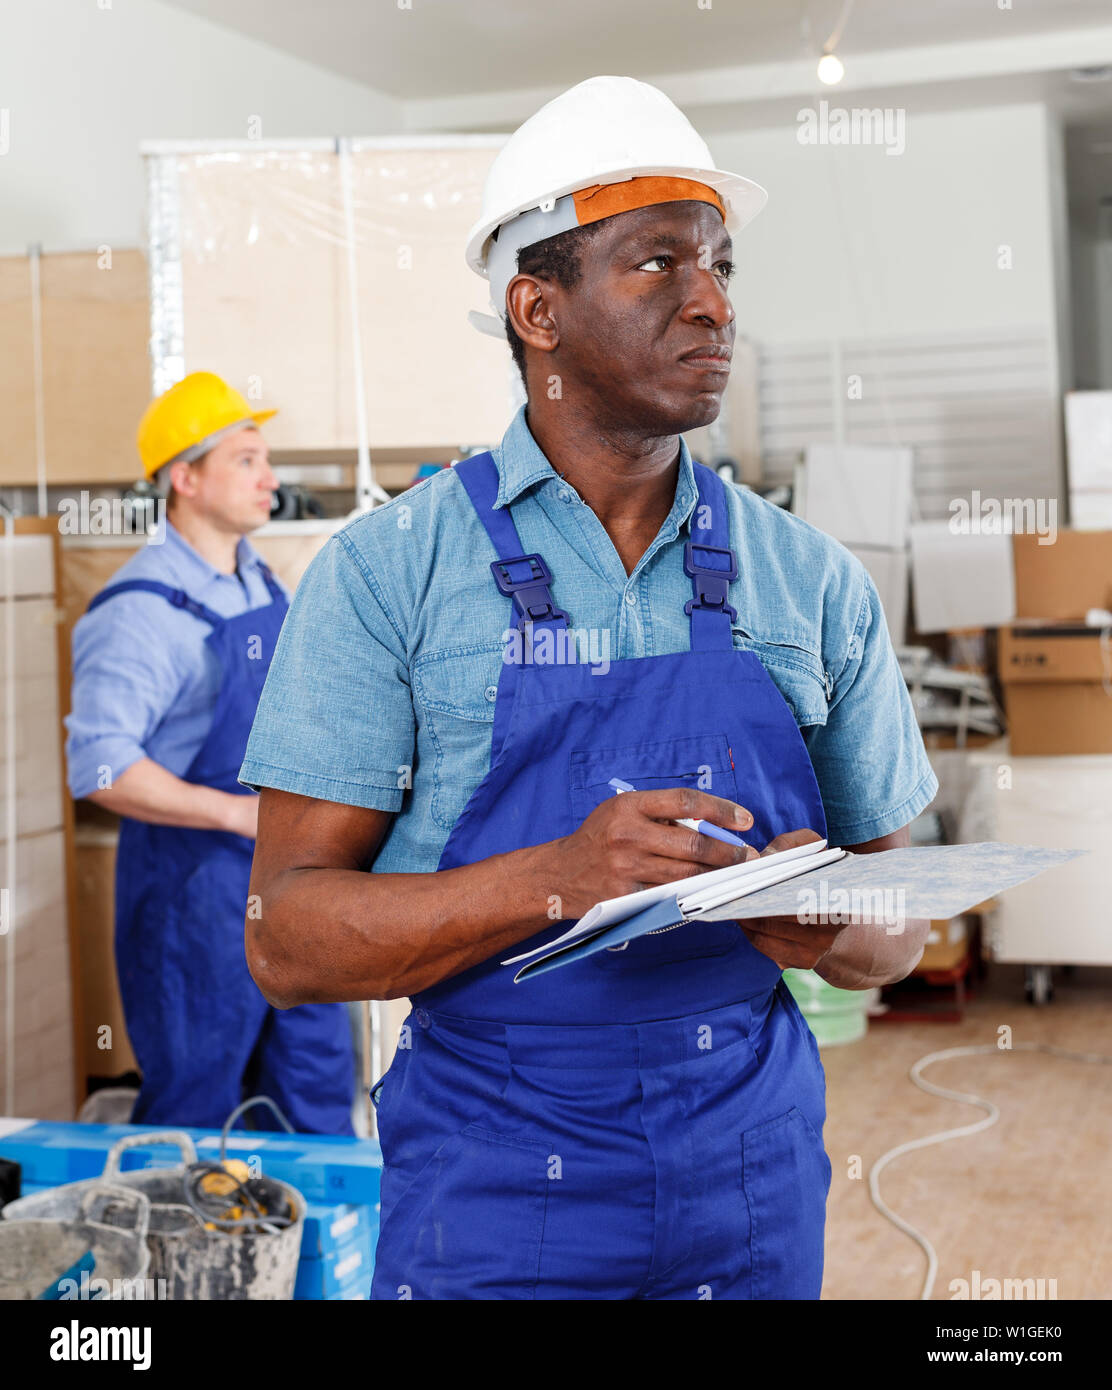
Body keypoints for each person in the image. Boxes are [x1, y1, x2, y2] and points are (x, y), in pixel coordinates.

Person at [242, 77, 938, 1297]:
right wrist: (555, 879)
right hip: (496, 1188)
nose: (712, 302)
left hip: (751, 1182)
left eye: (719, 263)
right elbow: (285, 938)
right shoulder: (385, 575)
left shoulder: (810, 581)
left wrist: (835, 928)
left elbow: (903, 922)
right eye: (655, 264)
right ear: (537, 310)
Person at [65, 371, 355, 1134]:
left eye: (268, 460)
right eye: (247, 460)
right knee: (200, 1109)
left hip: (297, 884)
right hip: (195, 902)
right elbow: (100, 765)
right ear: (185, 479)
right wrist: (236, 814)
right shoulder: (138, 613)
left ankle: (325, 1250)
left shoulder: (258, 583)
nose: (272, 479)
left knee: (315, 1089)